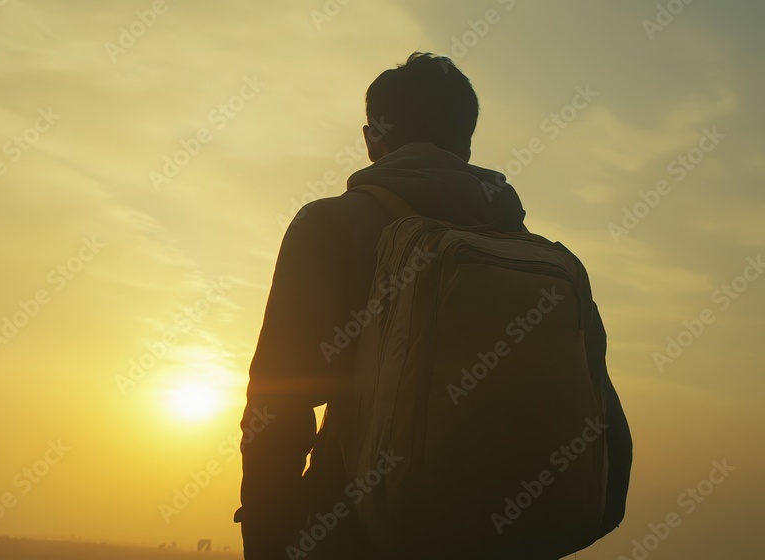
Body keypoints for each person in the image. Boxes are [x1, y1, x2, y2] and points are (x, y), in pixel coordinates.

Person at [236, 52, 631, 560]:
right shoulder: (536, 256)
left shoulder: (330, 226)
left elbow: (276, 409)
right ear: (466, 142)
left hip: (355, 535)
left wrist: (271, 543)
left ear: (372, 137)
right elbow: (611, 452)